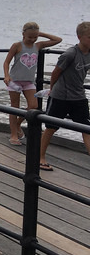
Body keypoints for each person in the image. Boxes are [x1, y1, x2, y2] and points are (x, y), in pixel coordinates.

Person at [38, 21, 90, 171]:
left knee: (86, 128)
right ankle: (40, 158)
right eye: (89, 37)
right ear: (80, 37)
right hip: (60, 96)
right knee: (51, 127)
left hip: (79, 96)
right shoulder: (70, 54)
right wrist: (52, 89)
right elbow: (56, 72)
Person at [2, 22, 61, 146]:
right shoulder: (17, 46)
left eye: (35, 37)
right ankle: (13, 134)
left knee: (33, 105)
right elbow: (6, 62)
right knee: (14, 107)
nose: (33, 39)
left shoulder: (38, 45)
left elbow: (58, 40)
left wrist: (40, 33)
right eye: (30, 37)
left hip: (29, 81)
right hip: (15, 80)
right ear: (23, 34)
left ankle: (18, 124)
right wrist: (7, 76)